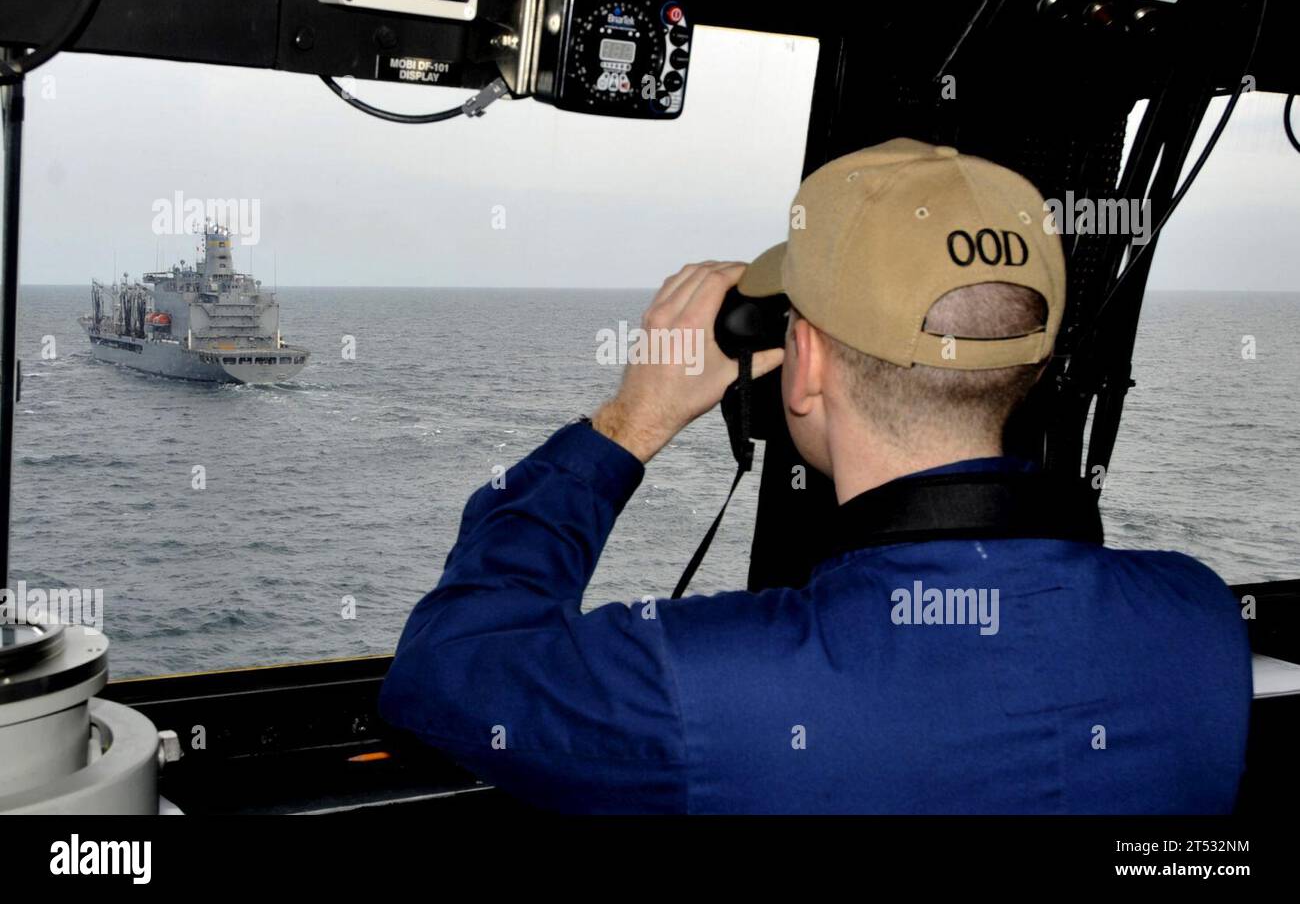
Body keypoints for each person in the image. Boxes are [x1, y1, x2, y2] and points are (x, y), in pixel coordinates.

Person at [379, 138, 1251, 814]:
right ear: (1029, 364)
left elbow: (447, 671)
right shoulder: (1199, 618)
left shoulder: (709, 687)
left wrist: (629, 424)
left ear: (803, 364)